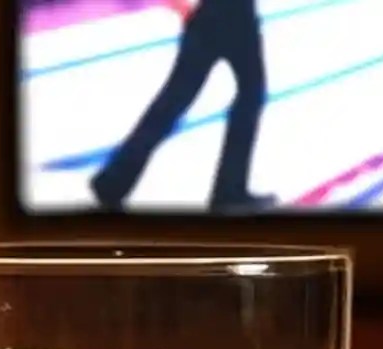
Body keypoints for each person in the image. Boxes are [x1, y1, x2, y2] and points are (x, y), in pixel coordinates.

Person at [90, 0, 276, 212]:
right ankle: (229, 190)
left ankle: (113, 181)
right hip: (233, 14)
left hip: (208, 14)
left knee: (175, 98)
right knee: (250, 94)